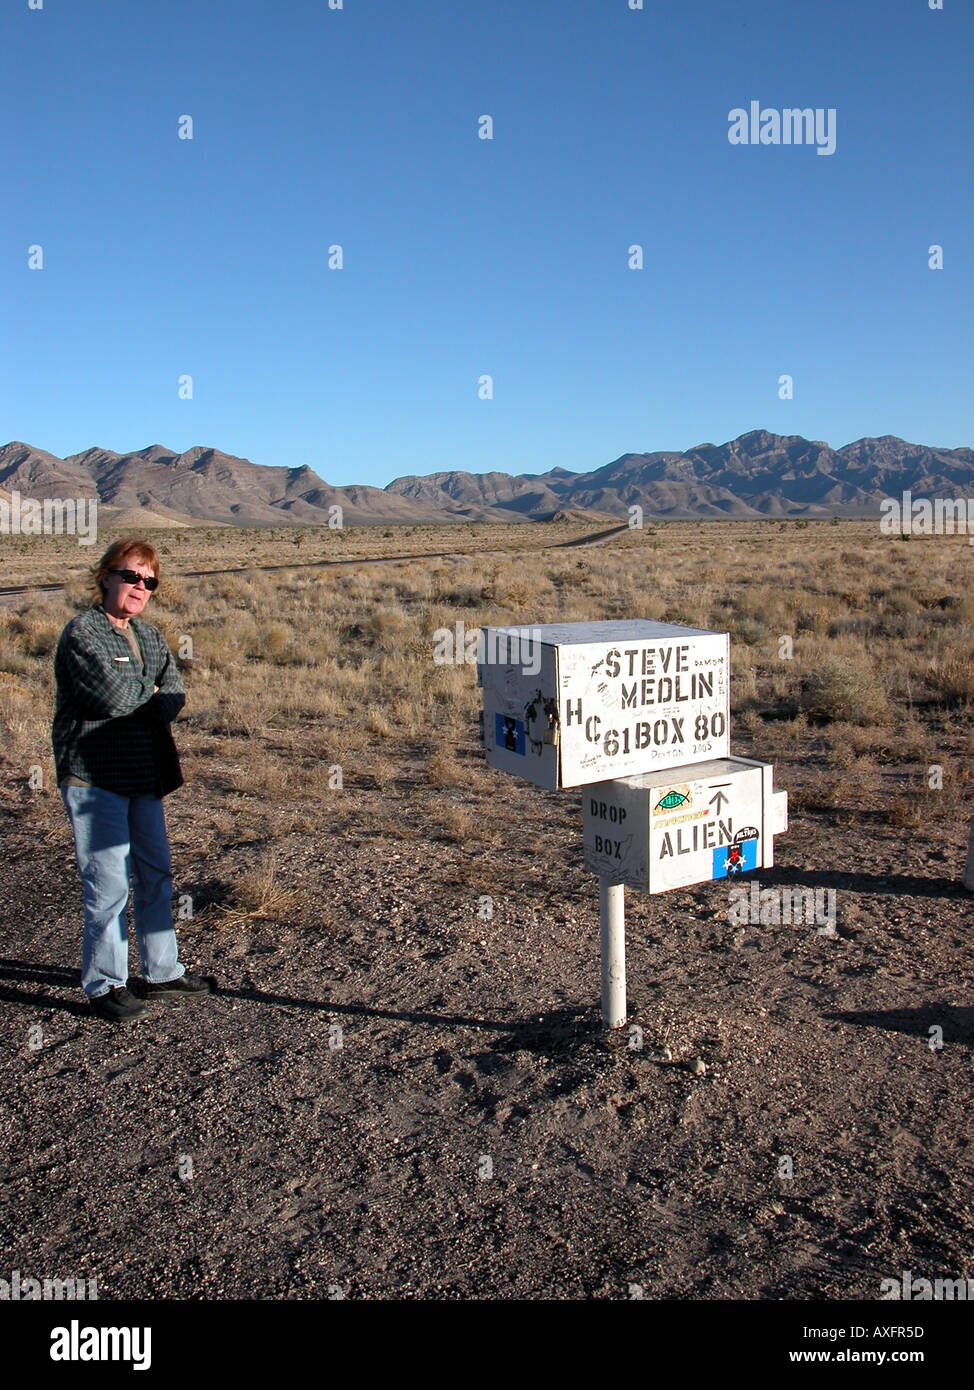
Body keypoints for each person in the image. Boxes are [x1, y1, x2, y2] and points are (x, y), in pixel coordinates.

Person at [52, 536, 211, 1022]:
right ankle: (105, 983)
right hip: (94, 777)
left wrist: (154, 694)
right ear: (105, 577)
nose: (140, 586)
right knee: (108, 883)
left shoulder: (150, 636)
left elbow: (175, 695)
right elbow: (110, 698)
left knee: (156, 872)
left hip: (144, 773)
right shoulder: (83, 634)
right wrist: (152, 694)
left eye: (149, 580)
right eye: (130, 575)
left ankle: (162, 972)